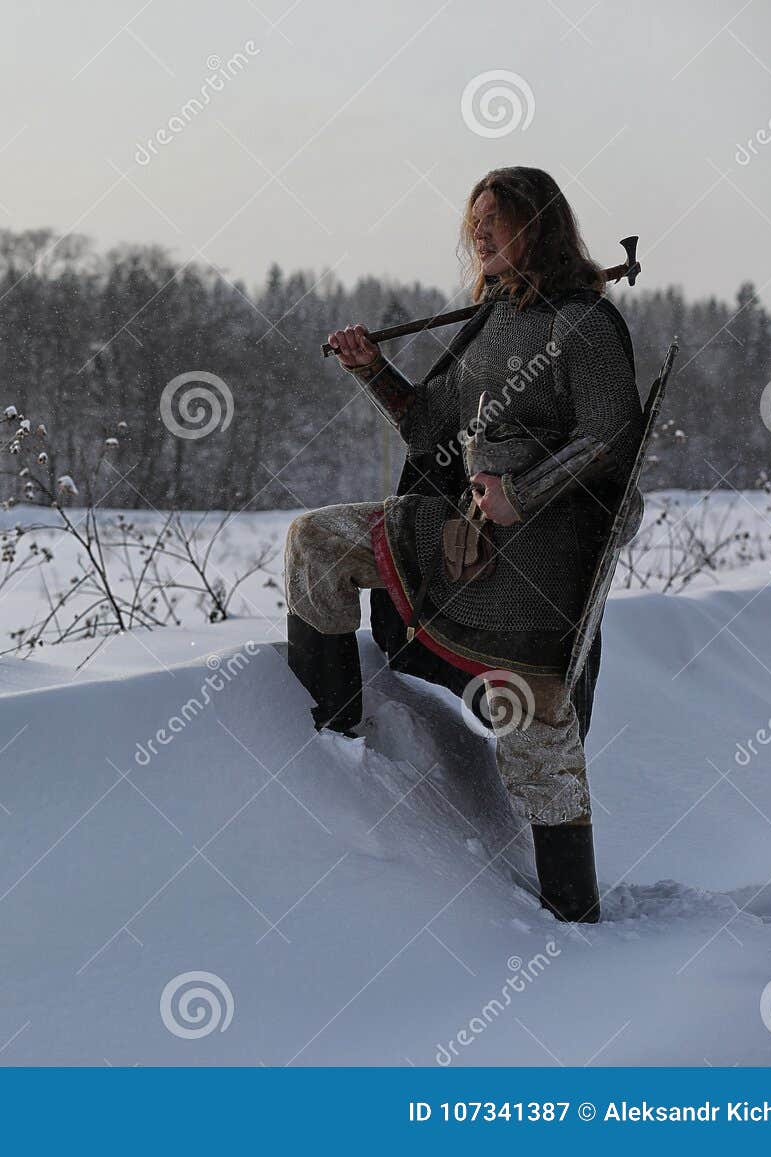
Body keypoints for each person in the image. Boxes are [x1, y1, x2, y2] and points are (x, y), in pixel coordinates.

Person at [284, 166, 645, 923]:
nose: (479, 231)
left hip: (542, 572)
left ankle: (573, 916)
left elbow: (610, 437)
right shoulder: (492, 322)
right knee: (316, 539)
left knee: (535, 718)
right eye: (474, 218)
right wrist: (371, 369)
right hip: (464, 544)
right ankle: (328, 744)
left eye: (498, 218)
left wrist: (527, 491)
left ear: (539, 227)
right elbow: (427, 428)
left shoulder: (580, 323)